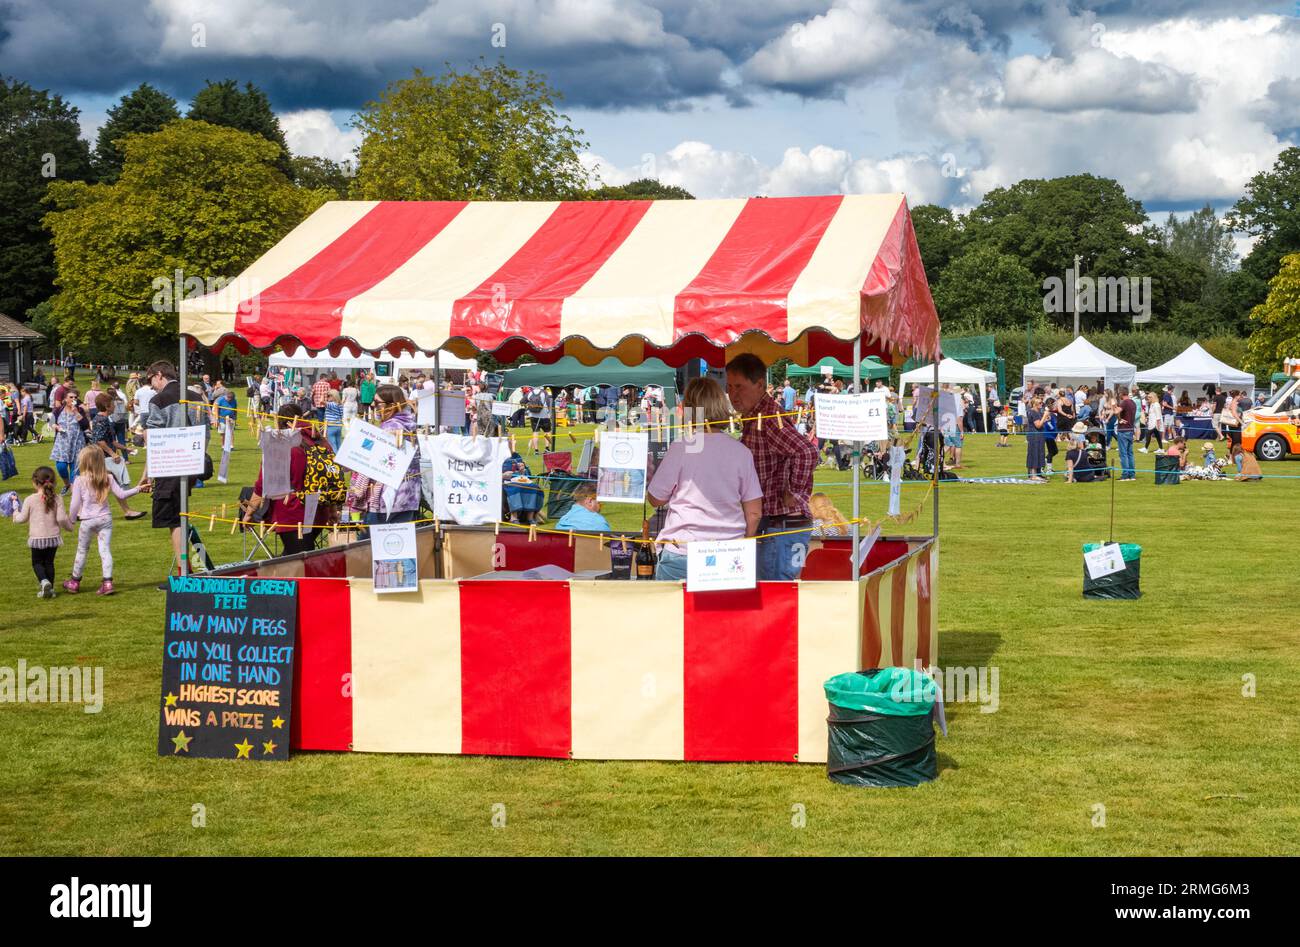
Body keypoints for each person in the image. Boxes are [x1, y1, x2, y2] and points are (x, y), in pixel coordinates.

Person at [647, 377, 763, 581]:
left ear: (689, 408)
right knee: (724, 613)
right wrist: (743, 544)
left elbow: (656, 498)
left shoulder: (682, 447)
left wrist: (650, 476)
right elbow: (754, 512)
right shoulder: (741, 452)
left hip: (683, 551)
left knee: (672, 613)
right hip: (729, 552)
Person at [725, 354, 818, 580]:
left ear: (759, 385)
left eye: (739, 387)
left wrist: (794, 492)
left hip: (781, 526)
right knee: (770, 593)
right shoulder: (755, 416)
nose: (733, 394)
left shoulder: (766, 419)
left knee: (774, 594)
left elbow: (806, 451)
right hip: (776, 525)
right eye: (729, 387)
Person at [143, 360, 211, 572]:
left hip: (169, 465)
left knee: (174, 519)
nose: (151, 385)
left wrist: (148, 472)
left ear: (160, 374)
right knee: (180, 515)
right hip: (194, 462)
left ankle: (184, 571)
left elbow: (154, 439)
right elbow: (206, 432)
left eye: (151, 380)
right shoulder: (196, 396)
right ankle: (187, 567)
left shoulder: (159, 399)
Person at [63, 446, 148, 595]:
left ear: (84, 462)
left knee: (82, 550)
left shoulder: (79, 481)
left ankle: (74, 582)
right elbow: (121, 495)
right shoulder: (107, 477)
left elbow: (74, 504)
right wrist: (138, 488)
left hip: (87, 520)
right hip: (105, 519)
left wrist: (71, 521)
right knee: (105, 550)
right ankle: (107, 583)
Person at [244, 404, 325, 556]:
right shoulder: (319, 439)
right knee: (298, 555)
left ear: (280, 423)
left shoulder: (283, 445)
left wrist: (249, 512)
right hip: (319, 509)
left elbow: (264, 483)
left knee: (299, 562)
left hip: (293, 512)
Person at [344, 384, 421, 528]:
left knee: (371, 543)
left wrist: (352, 457)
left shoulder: (392, 427)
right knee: (400, 542)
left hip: (389, 497)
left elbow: (375, 461)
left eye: (377, 403)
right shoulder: (408, 424)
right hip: (408, 495)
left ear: (392, 405)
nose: (373, 405)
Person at [11, 465, 73, 599]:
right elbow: (62, 518)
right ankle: (50, 589)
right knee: (49, 562)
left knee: (37, 563)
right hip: (53, 537)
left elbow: (22, 519)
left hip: (37, 537)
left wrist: (15, 513)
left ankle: (44, 581)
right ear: (54, 482)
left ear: (35, 482)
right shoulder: (57, 498)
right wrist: (69, 527)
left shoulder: (30, 499)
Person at [87, 391, 145, 519]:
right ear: (107, 406)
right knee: (106, 486)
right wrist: (113, 454)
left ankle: (127, 511)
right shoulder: (101, 420)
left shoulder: (103, 419)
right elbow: (100, 441)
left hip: (103, 456)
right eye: (113, 404)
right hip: (102, 458)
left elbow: (110, 441)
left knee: (110, 485)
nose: (115, 406)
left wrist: (126, 449)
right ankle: (86, 511)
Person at [50, 388, 89, 493]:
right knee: (61, 466)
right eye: (70, 397)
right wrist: (56, 427)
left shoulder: (80, 410)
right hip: (62, 443)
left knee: (75, 468)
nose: (73, 399)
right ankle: (67, 484)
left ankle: (74, 491)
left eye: (75, 397)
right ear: (65, 399)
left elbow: (85, 426)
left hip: (77, 442)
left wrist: (76, 412)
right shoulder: (58, 410)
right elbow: (51, 422)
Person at [1115, 385, 1137, 481]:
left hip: (1123, 430)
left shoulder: (1124, 402)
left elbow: (1116, 411)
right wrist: (1120, 418)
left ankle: (1125, 474)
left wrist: (1114, 407)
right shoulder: (1133, 402)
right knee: (1130, 453)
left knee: (1123, 453)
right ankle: (1132, 474)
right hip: (1130, 429)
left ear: (1121, 393)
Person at [1025, 395, 1047, 482]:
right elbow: (1038, 425)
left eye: (1042, 402)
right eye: (1039, 403)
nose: (1041, 404)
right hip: (1035, 435)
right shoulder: (1033, 412)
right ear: (1034, 404)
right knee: (1034, 453)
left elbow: (1041, 422)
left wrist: (1045, 417)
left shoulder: (1038, 411)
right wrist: (1045, 416)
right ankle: (1033, 474)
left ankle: (1038, 473)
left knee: (1040, 453)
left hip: (1039, 435)